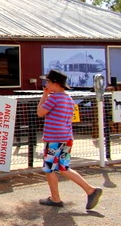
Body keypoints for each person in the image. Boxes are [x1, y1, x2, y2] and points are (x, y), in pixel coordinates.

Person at [37, 69, 103, 210]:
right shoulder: (68, 98)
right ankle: (90, 190)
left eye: (48, 81)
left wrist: (44, 95)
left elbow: (40, 112)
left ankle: (56, 198)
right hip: (66, 138)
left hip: (54, 139)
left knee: (50, 169)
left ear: (55, 83)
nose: (46, 84)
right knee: (63, 167)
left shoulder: (53, 98)